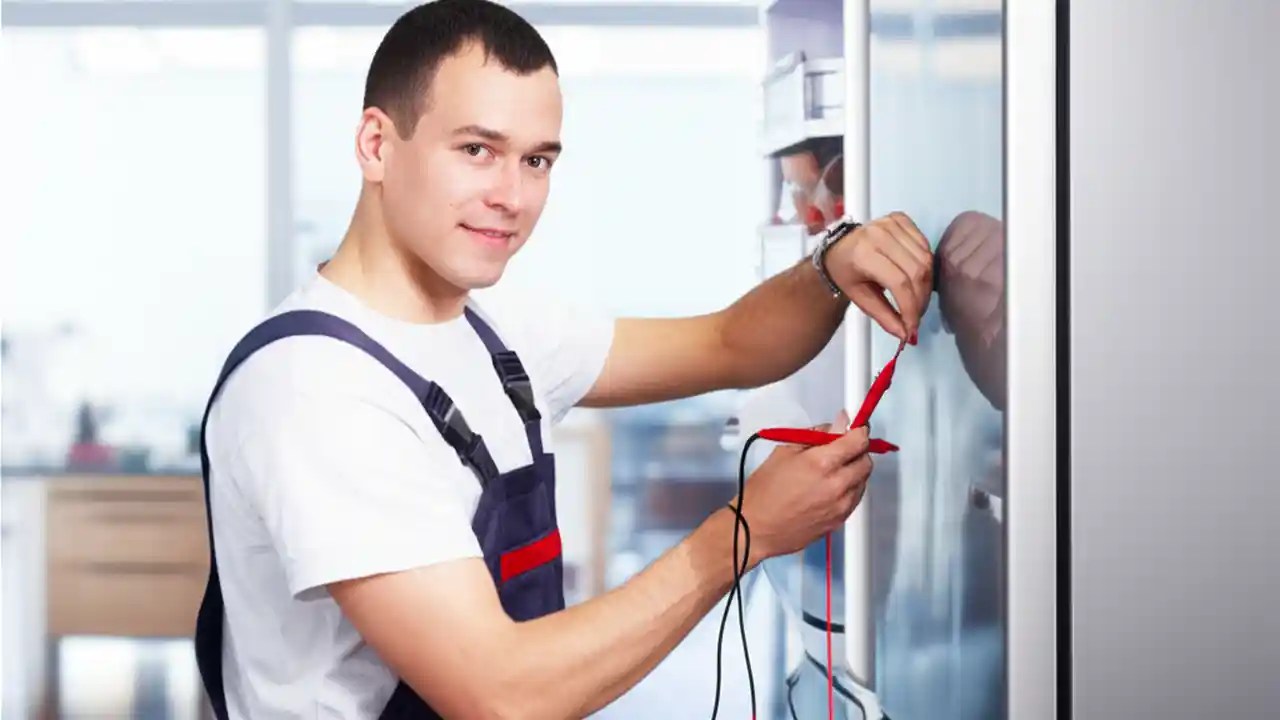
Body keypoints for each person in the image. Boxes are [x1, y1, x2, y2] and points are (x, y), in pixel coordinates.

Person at [194, 1, 934, 718]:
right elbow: (499, 696)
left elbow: (731, 342)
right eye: (476, 150)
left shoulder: (495, 325)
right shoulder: (317, 388)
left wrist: (835, 260)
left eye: (537, 160)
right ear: (377, 146)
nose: (512, 197)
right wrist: (744, 534)